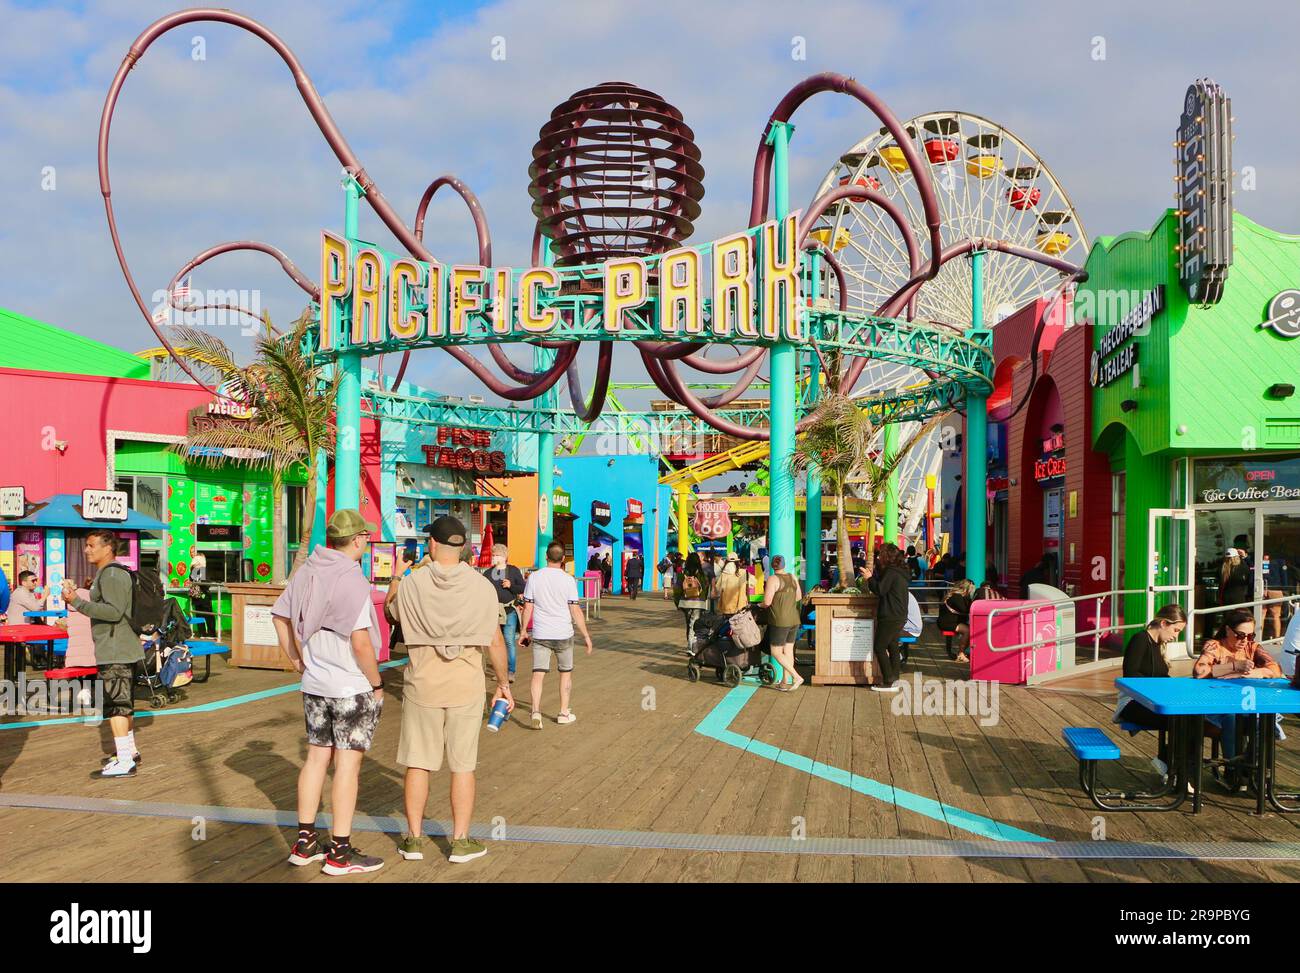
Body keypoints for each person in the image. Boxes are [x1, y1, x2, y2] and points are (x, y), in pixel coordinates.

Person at [392, 516, 514, 865]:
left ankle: (414, 840)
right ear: (462, 547)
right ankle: (459, 842)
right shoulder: (481, 587)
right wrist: (503, 685)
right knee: (463, 766)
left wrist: (399, 574)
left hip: (422, 684)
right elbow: (494, 640)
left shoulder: (412, 585)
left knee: (418, 764)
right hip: (466, 686)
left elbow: (391, 613)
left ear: (431, 544)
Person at [270, 509, 385, 874]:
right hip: (350, 684)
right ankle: (340, 852)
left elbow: (279, 616)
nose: (366, 542)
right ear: (356, 541)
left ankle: (305, 843)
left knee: (316, 758)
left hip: (315, 682)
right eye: (365, 537)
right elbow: (361, 641)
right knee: (347, 766)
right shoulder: (352, 579)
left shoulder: (307, 570)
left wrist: (295, 658)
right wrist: (378, 684)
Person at [62, 530, 144, 779]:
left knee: (116, 706)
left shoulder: (111, 574)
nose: (86, 550)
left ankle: (126, 761)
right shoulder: (108, 574)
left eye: (90, 545)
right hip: (119, 648)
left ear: (107, 547)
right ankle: (128, 752)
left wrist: (77, 601)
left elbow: (114, 612)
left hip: (116, 650)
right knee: (123, 704)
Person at [1193, 609, 1283, 787]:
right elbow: (1200, 671)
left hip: (1245, 706)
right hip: (1216, 708)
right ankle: (1232, 770)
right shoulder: (1214, 646)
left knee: (1264, 722)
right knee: (1231, 717)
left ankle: (1251, 768)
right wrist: (1234, 666)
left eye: (1250, 635)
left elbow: (1276, 670)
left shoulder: (1253, 647)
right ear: (1227, 630)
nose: (1245, 640)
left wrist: (1256, 672)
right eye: (1240, 635)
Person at [519, 541, 594, 728]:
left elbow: (528, 606)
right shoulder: (568, 580)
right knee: (565, 674)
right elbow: (575, 610)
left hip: (541, 633)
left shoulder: (534, 577)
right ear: (562, 559)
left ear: (546, 557)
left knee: (538, 674)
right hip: (563, 633)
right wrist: (586, 636)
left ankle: (536, 711)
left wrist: (523, 631)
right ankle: (563, 712)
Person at [1111, 604, 1188, 777]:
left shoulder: (1157, 644)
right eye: (1176, 630)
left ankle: (1171, 766)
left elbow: (1159, 676)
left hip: (1149, 701)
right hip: (1132, 703)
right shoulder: (1140, 639)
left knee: (1190, 721)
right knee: (1183, 722)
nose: (1176, 637)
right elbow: (1130, 676)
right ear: (1163, 624)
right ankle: (1172, 768)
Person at [867, 543, 910, 692]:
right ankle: (895, 678)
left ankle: (889, 680)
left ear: (886, 557)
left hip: (890, 614)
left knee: (879, 646)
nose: (878, 558)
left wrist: (869, 578)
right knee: (892, 646)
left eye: (880, 555)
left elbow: (880, 589)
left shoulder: (891, 572)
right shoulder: (900, 571)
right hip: (899, 614)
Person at [483, 544, 525, 683]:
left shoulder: (513, 571)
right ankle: (499, 671)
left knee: (508, 641)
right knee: (495, 642)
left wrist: (511, 586)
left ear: (504, 557)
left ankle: (510, 671)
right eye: (493, 555)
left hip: (509, 610)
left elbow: (523, 587)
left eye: (497, 555)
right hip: (493, 611)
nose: (494, 558)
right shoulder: (488, 573)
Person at [762, 554, 803, 691]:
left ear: (772, 566)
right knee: (788, 650)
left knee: (776, 651)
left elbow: (767, 602)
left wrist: (760, 605)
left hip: (780, 620)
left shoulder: (773, 579)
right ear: (784, 565)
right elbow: (798, 597)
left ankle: (796, 676)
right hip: (794, 619)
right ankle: (785, 682)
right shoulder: (792, 577)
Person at [383, 548, 419, 656]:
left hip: (421, 664)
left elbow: (389, 613)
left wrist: (397, 574)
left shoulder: (413, 582)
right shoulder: (470, 583)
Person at [673, 552, 712, 653]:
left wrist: (677, 603)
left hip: (685, 603)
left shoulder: (683, 574)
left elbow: (677, 589)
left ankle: (690, 645)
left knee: (689, 624)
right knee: (694, 624)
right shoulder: (701, 574)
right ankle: (692, 647)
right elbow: (705, 588)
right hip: (698, 603)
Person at [938, 579, 975, 662]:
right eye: (971, 589)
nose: (972, 591)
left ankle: (961, 653)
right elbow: (965, 610)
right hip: (947, 622)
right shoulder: (956, 596)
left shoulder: (958, 595)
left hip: (951, 621)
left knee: (972, 630)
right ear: (967, 588)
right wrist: (970, 598)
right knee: (968, 630)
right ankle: (961, 653)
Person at [901, 591, 923, 664]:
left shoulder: (901, 594)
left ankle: (898, 658)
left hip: (911, 629)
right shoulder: (904, 593)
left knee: (883, 635)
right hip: (913, 627)